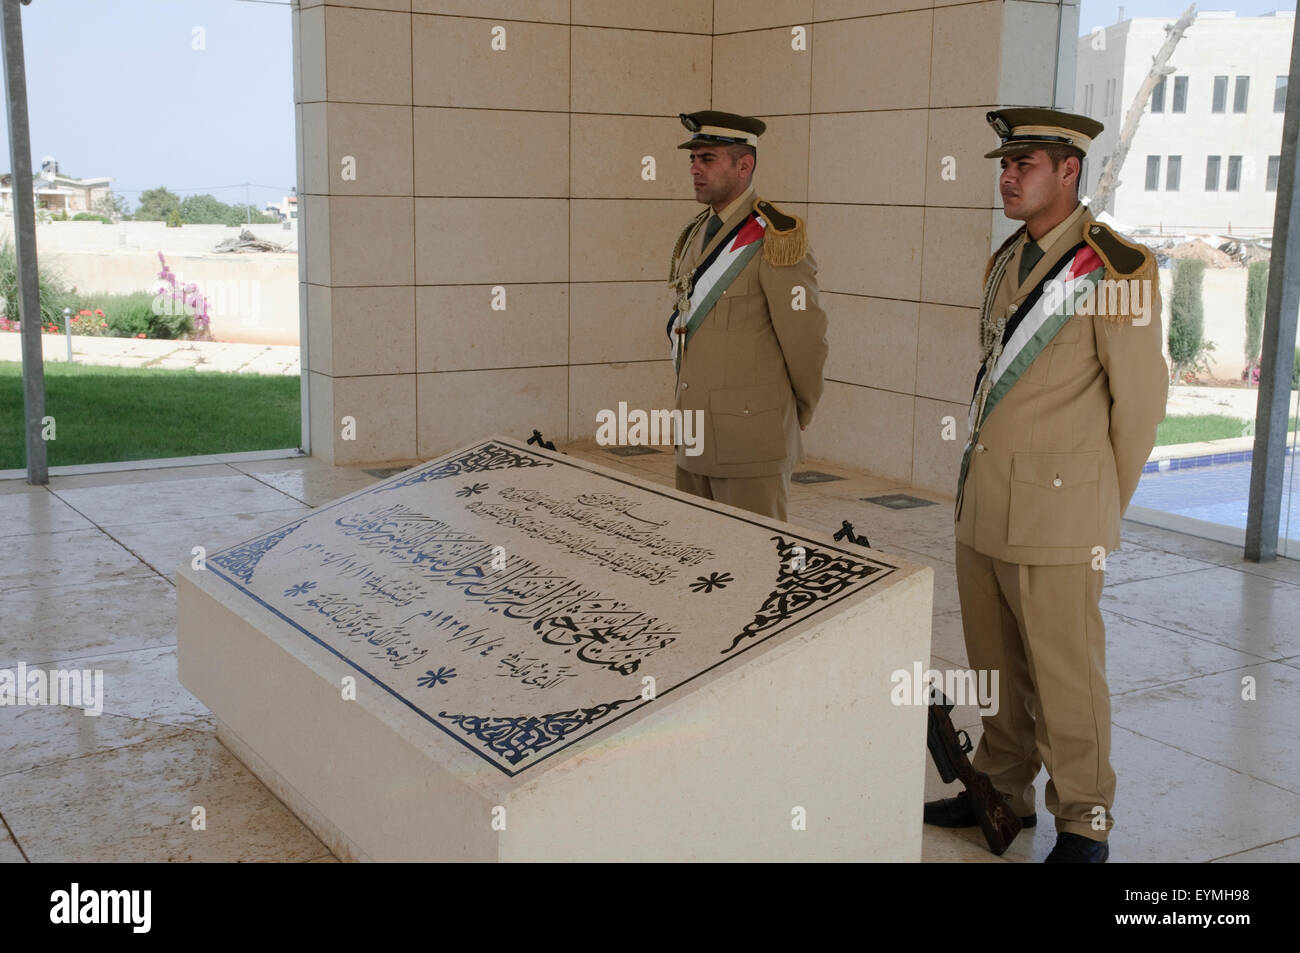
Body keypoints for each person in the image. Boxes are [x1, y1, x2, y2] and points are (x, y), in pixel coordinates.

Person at [923, 108, 1169, 863]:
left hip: (1059, 513)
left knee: (1066, 676)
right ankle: (1000, 787)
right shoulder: (1009, 259)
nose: (1006, 176)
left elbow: (1140, 407)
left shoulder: (1117, 267)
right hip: (988, 500)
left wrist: (1093, 508)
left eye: (1023, 163)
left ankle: (1086, 822)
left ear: (1070, 170)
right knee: (996, 665)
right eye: (1004, 164)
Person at [666, 110, 828, 522]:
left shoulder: (776, 237)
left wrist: (799, 411)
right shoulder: (698, 232)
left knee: (754, 569)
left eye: (707, 159)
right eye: (693, 158)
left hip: (751, 440)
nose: (694, 169)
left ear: (744, 165)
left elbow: (806, 338)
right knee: (701, 564)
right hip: (696, 435)